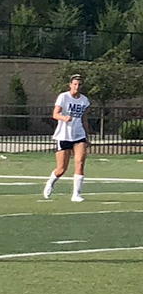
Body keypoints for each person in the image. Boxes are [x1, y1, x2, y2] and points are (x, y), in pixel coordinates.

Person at [43, 74, 90, 202]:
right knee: (62, 169)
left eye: (79, 85)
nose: (77, 87)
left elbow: (84, 119)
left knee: (80, 163)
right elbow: (55, 114)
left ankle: (76, 194)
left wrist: (87, 136)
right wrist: (64, 118)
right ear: (70, 85)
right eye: (75, 84)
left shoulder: (84, 100)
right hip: (64, 135)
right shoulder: (63, 97)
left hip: (79, 135)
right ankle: (51, 183)